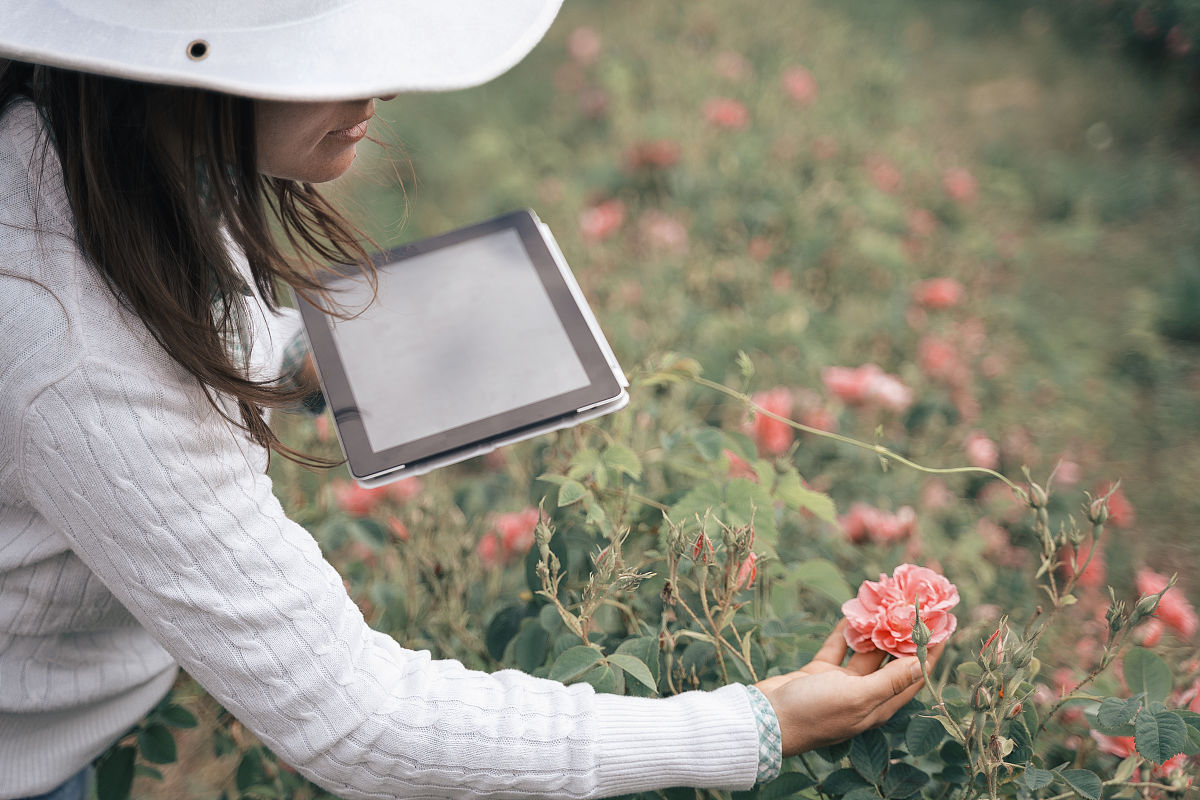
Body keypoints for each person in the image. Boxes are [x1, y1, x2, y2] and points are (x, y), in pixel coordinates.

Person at [0, 2, 939, 798]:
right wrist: (754, 725)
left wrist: (311, 359)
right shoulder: (74, 341)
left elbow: (167, 351)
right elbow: (356, 719)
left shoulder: (85, 153)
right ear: (180, 70)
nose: (387, 84)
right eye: (335, 50)